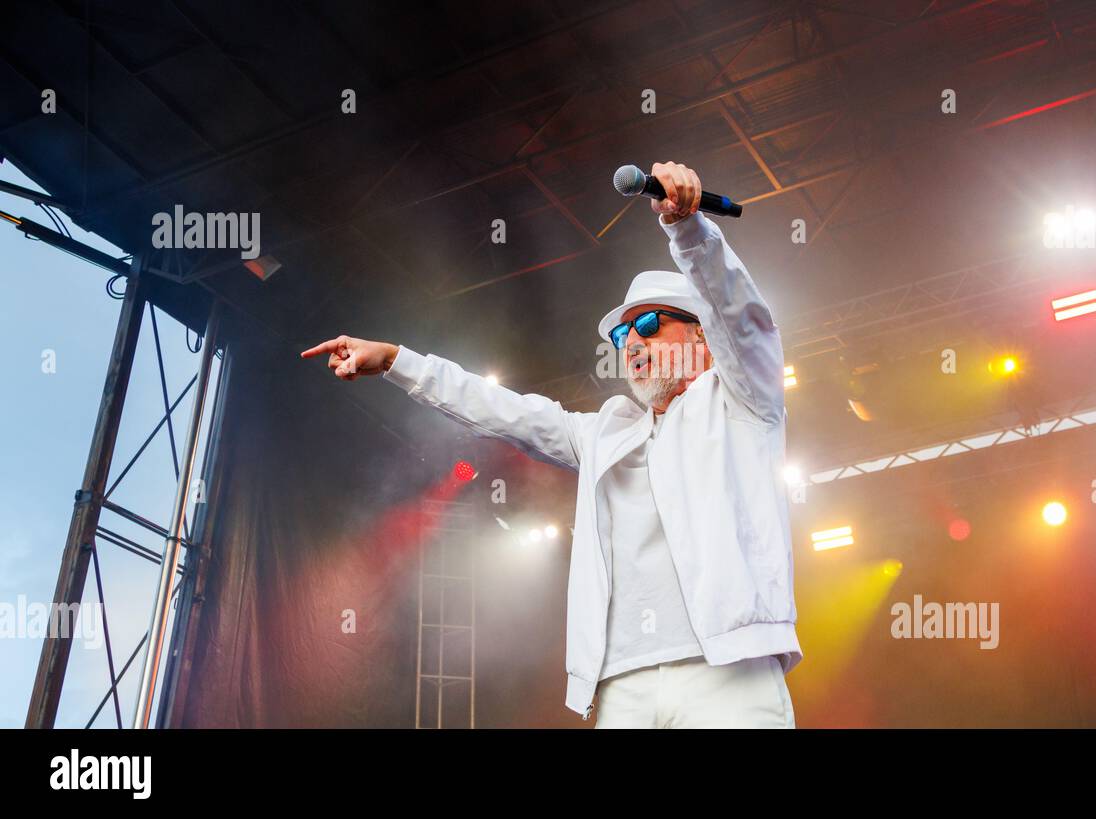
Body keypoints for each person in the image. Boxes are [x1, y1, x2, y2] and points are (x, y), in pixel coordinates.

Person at [302, 161, 801, 728]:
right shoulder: (606, 432)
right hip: (622, 686)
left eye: (647, 326)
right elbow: (504, 411)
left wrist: (688, 230)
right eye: (620, 334)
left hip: (727, 674)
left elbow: (743, 320)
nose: (628, 343)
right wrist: (397, 360)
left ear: (701, 335)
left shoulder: (743, 401)